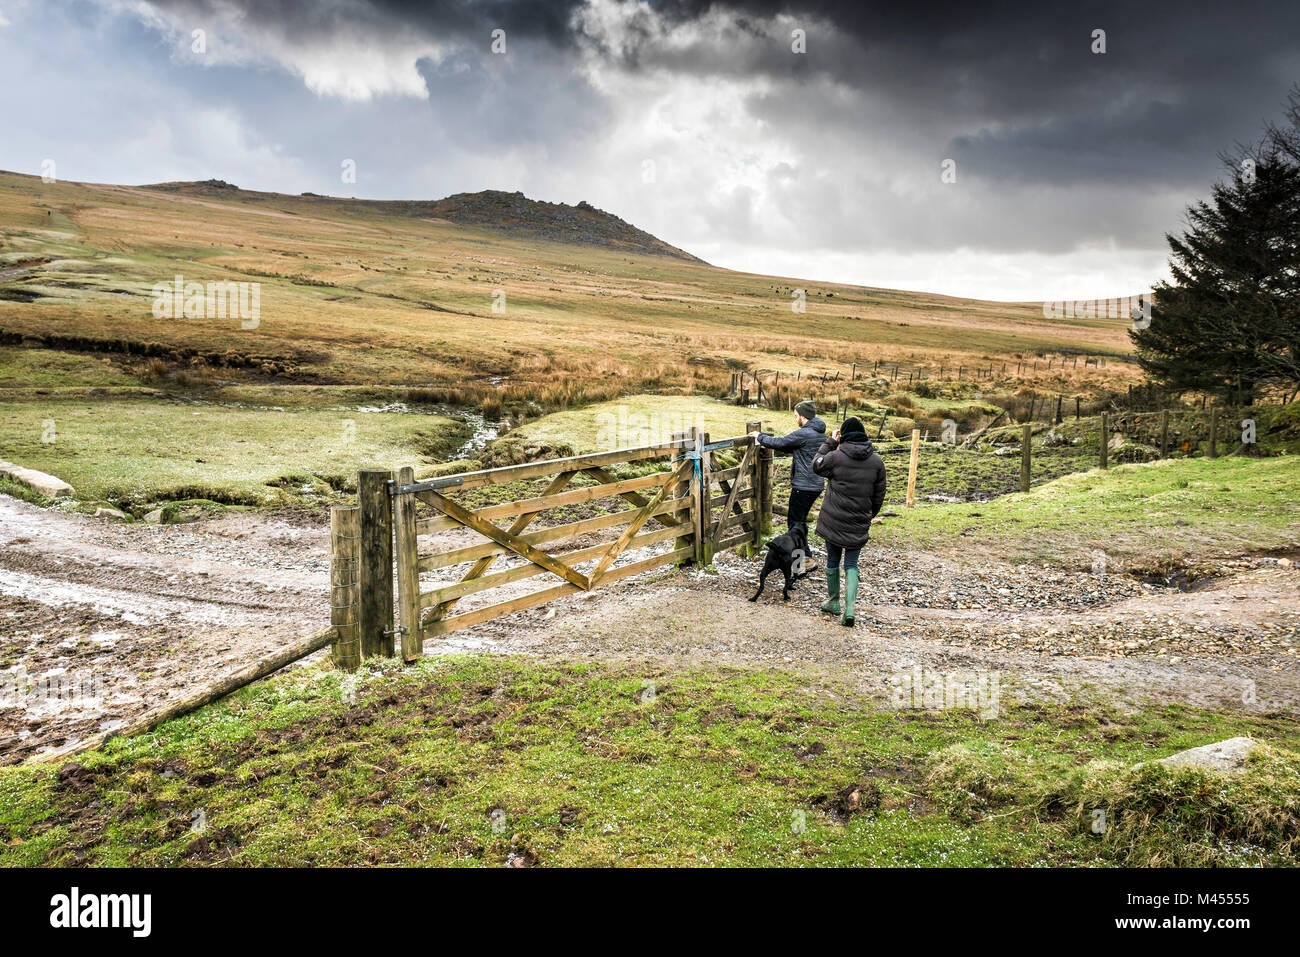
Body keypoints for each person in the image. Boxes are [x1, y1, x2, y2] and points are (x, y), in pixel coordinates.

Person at [811, 416, 886, 627]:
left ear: (843, 436)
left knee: (833, 561)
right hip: (858, 521)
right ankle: (850, 608)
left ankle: (834, 602)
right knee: (852, 563)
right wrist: (868, 515)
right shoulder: (876, 462)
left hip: (833, 520)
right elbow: (879, 495)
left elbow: (815, 465)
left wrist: (830, 443)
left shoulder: (835, 457)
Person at [749, 400, 826, 549]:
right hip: (816, 484)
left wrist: (760, 437)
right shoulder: (819, 432)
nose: (795, 418)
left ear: (803, 417)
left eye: (796, 415)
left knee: (795, 522)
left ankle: (801, 560)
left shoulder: (804, 433)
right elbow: (801, 449)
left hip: (803, 485)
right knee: (800, 521)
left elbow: (782, 442)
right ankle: (804, 555)